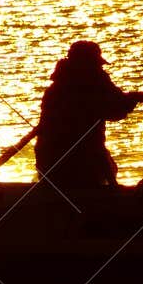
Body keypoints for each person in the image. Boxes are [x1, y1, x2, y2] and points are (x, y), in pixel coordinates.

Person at [34, 40, 135, 188]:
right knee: (101, 160)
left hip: (48, 164)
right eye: (96, 64)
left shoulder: (55, 88)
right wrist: (130, 102)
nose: (99, 68)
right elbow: (117, 110)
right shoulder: (92, 84)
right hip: (81, 164)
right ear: (85, 64)